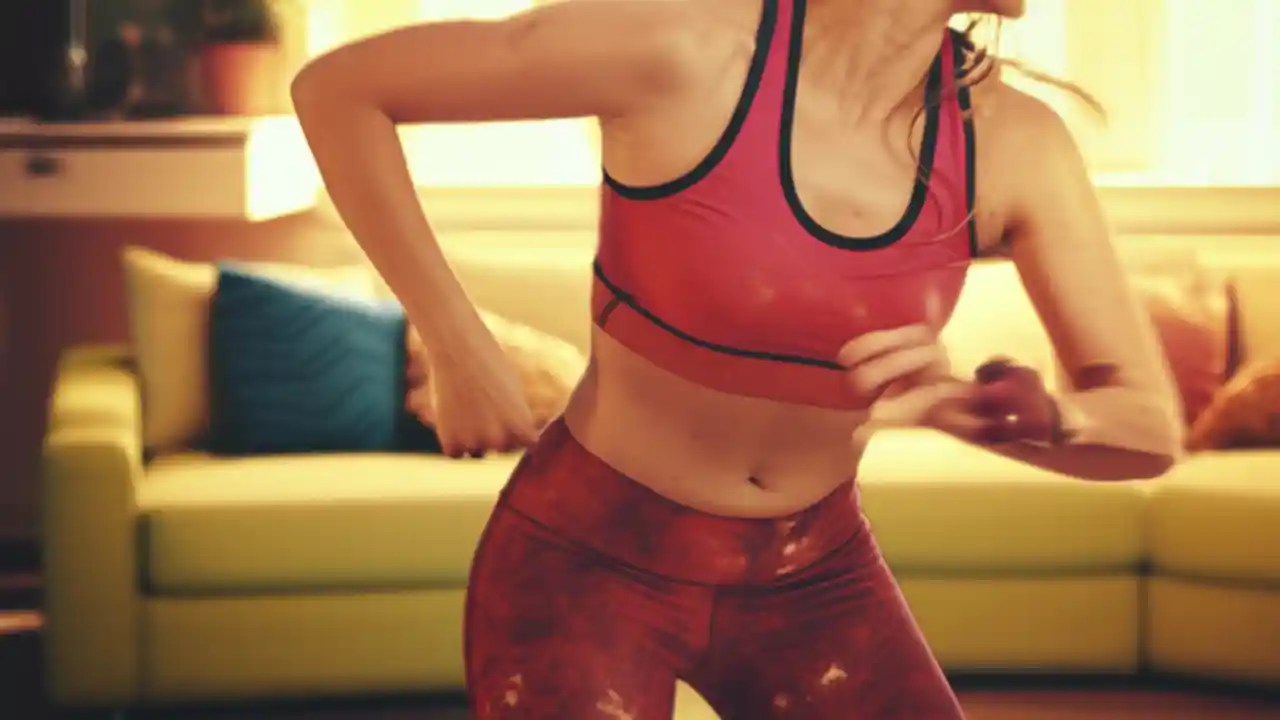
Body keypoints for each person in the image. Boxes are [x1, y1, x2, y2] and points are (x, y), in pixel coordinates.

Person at [292, 0, 1184, 716]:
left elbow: (1144, 426)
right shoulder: (681, 40)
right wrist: (458, 344)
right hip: (586, 564)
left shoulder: (1015, 144)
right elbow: (339, 89)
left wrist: (1016, 416)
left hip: (815, 576)